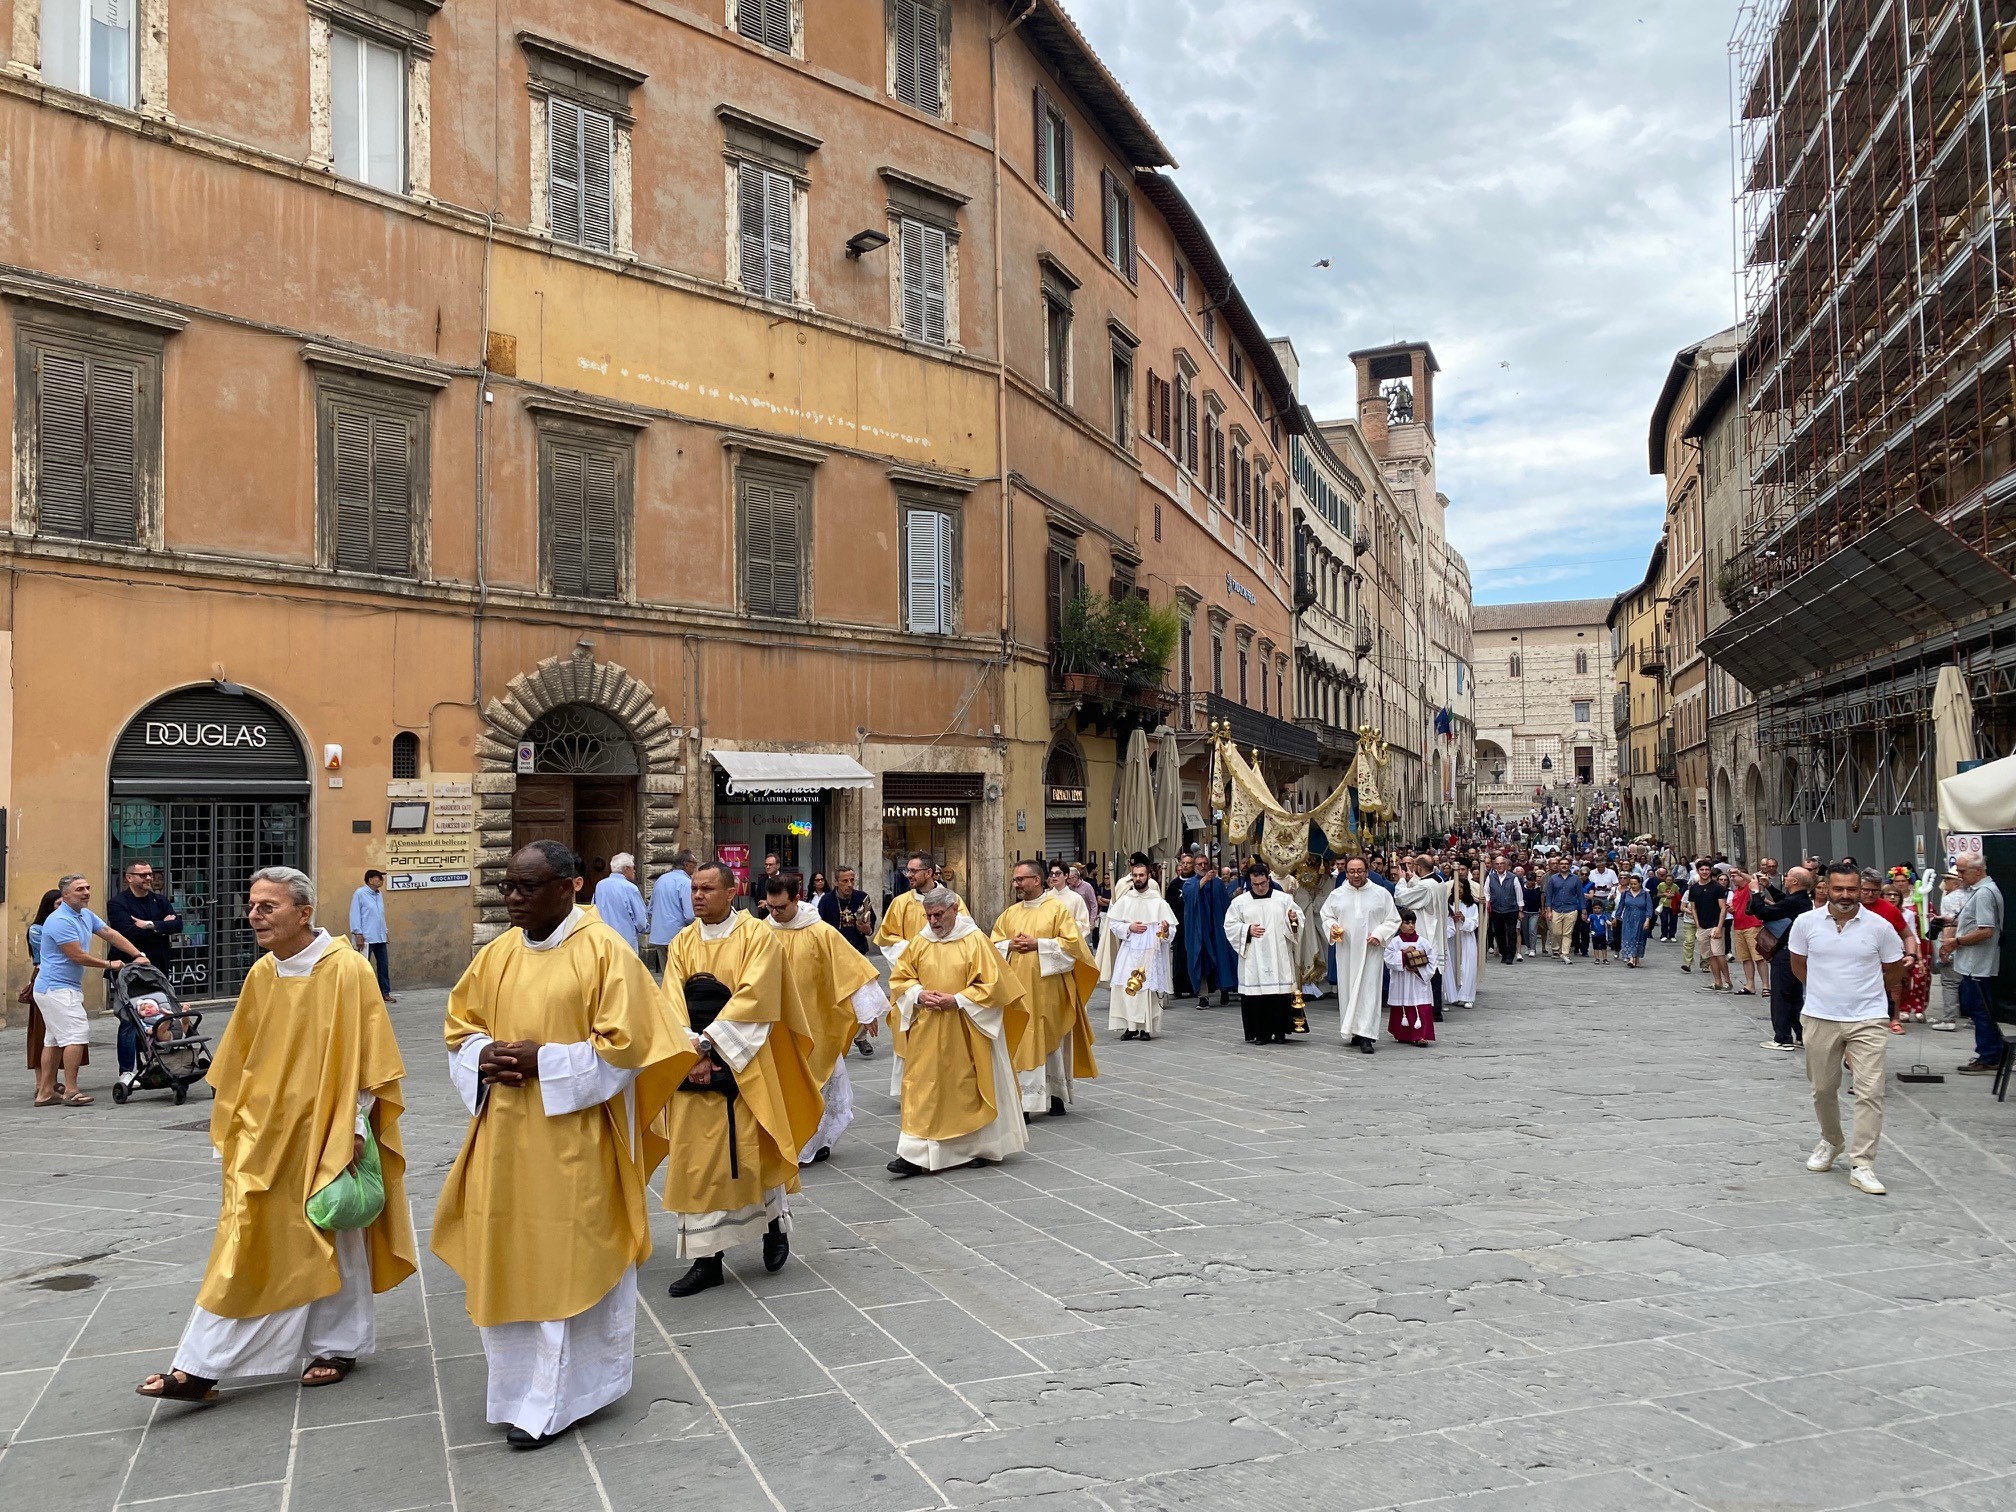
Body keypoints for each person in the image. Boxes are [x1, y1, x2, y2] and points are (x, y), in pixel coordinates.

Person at [431, 842, 692, 1448]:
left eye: (528, 887)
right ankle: (517, 1391)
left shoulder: (605, 951)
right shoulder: (497, 953)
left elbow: (626, 1047)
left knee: (567, 1259)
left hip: (576, 1135)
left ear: (570, 886)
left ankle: (561, 1398)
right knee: (511, 1253)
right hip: (504, 1136)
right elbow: (458, 1025)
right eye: (508, 887)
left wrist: (543, 1059)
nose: (515, 899)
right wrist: (482, 1054)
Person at [136, 867, 415, 1405]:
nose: (254, 916)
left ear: (303, 913)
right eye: (252, 906)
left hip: (327, 1122)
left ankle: (336, 1344)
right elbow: (242, 1055)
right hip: (264, 1130)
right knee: (247, 1235)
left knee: (334, 1226)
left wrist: (356, 1123)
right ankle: (202, 1363)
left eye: (268, 907)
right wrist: (234, 1121)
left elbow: (367, 1055)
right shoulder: (263, 972)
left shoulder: (348, 970)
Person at [660, 862, 824, 1296]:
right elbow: (670, 1000)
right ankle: (705, 1259)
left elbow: (758, 996)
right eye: (693, 888)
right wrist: (690, 1051)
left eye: (707, 888)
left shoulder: (757, 937)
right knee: (696, 1161)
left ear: (732, 892)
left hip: (745, 1060)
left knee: (755, 1149)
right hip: (692, 1064)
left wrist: (712, 1045)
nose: (697, 896)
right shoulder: (681, 942)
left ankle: (774, 1227)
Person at [885, 887, 1029, 1178]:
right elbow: (901, 977)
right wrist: (918, 994)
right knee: (924, 1087)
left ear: (954, 910)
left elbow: (994, 986)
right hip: (928, 1027)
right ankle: (915, 1154)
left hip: (968, 1027)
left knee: (968, 1087)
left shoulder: (975, 941)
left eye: (938, 915)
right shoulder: (920, 941)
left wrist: (958, 1000)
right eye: (928, 916)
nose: (933, 922)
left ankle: (980, 1148)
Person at [1788, 860, 1905, 1196]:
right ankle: (1831, 1140)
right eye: (1838, 888)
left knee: (1871, 1092)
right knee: (1822, 1089)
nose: (1845, 895)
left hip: (1867, 1018)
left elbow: (1894, 970)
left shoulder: (1880, 927)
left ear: (1861, 891)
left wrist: (1869, 996)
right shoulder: (1806, 923)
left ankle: (1863, 1163)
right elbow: (1799, 965)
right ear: (1824, 888)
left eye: (1852, 889)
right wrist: (1824, 992)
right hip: (1820, 1016)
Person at [763, 874, 888, 1165]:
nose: (775, 913)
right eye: (770, 907)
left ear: (796, 899)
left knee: (820, 1081)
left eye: (780, 907)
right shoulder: (761, 932)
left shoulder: (820, 932)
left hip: (815, 1020)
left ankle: (816, 1142)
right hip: (774, 1024)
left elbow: (850, 969)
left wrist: (866, 1011)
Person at [990, 861, 1100, 1111]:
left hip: (1051, 988)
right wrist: (1009, 946)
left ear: (1036, 880)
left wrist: (1039, 944)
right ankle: (1026, 1102)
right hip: (1019, 990)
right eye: (1014, 879)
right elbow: (992, 944)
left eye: (1020, 879)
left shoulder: (1056, 910)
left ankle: (1056, 1096)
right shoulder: (1010, 913)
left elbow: (1074, 946)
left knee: (1051, 1037)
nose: (1015, 883)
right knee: (1023, 1039)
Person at [32, 874, 140, 1107]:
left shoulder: (84, 915)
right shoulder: (60, 920)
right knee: (75, 1036)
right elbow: (77, 956)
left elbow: (110, 933)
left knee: (52, 1040)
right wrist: (109, 964)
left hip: (59, 988)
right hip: (56, 988)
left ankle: (45, 1092)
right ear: (66, 894)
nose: (86, 892)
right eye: (80, 889)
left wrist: (137, 955)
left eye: (88, 888)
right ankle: (71, 1090)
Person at [107, 861, 183, 1080]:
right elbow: (127, 932)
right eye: (142, 875)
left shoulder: (159, 900)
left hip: (157, 967)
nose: (148, 878)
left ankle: (158, 1062)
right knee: (130, 1018)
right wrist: (161, 926)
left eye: (150, 874)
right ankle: (127, 1071)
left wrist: (149, 924)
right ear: (129, 877)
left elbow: (177, 925)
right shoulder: (117, 903)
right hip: (128, 970)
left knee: (160, 1014)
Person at [1321, 857, 1401, 1057]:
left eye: (1359, 871)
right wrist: (1333, 927)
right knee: (1348, 989)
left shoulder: (1380, 894)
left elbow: (1393, 919)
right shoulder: (1337, 895)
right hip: (1346, 949)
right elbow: (1327, 915)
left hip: (1370, 950)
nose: (1355, 875)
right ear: (1345, 873)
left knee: (1368, 990)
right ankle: (1354, 1030)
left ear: (1367, 871)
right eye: (1351, 871)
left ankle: (1367, 1035)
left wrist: (1380, 934)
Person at [1098, 854, 1179, 1041]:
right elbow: (1114, 924)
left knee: (1148, 990)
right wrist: (1129, 927)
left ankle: (1146, 1028)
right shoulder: (1125, 900)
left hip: (1151, 951)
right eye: (1135, 875)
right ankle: (1130, 1027)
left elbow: (1171, 930)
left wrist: (1165, 930)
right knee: (1128, 989)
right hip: (1130, 951)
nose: (1138, 879)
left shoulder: (1158, 901)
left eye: (1141, 875)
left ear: (1148, 876)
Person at [1223, 862, 1302, 1045]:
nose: (1259, 887)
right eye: (1255, 884)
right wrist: (1247, 930)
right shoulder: (1239, 902)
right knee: (1256, 995)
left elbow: (1297, 920)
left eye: (1263, 883)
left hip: (1278, 953)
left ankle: (1281, 1032)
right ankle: (1261, 1033)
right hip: (1253, 956)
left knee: (1279, 993)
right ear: (1250, 882)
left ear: (1268, 879)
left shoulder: (1283, 899)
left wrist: (1294, 919)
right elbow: (1230, 926)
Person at [1947, 852, 2005, 1076]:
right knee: (1978, 1007)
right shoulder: (1980, 891)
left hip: (1978, 964)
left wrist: (1957, 941)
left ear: (1978, 870)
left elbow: (1986, 930)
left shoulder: (1984, 894)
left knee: (1979, 1009)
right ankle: (1994, 1049)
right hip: (1974, 963)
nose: (1959, 875)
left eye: (1962, 871)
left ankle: (1990, 1054)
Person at [24, 888, 82, 1098]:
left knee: (57, 1035)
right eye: (58, 905)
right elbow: (63, 950)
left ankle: (52, 1085)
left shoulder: (70, 923)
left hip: (67, 980)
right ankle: (44, 1083)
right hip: (48, 981)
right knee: (44, 1033)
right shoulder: (38, 929)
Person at [1750, 865, 1814, 1051]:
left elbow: (1763, 912)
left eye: (1788, 876)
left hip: (1784, 954)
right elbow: (1783, 901)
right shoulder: (1800, 899)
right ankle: (1801, 1035)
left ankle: (1782, 1038)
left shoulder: (1795, 901)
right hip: (1794, 953)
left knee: (1780, 996)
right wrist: (1769, 886)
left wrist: (1755, 891)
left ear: (1794, 881)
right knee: (1794, 996)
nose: (1785, 878)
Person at [873, 852, 961, 969]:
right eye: (908, 870)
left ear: (928, 873)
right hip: (913, 967)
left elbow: (964, 932)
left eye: (914, 871)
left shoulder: (952, 900)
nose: (908, 875)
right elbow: (887, 938)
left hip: (947, 966)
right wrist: (912, 951)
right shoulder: (900, 903)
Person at [1394, 856, 1452, 1018]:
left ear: (1419, 867)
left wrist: (1401, 881)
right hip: (1435, 927)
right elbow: (1418, 887)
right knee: (1434, 969)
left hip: (1427, 929)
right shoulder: (1438, 881)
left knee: (1426, 969)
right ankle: (1434, 1007)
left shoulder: (1427, 886)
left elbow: (1402, 897)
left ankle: (1432, 1010)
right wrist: (1411, 878)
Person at [1184, 857, 1237, 1007]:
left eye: (1205, 864)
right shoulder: (1190, 883)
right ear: (1195, 867)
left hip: (1217, 926)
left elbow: (1225, 904)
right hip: (1200, 928)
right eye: (1199, 864)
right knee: (1201, 959)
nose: (1202, 866)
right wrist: (1205, 880)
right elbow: (1189, 896)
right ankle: (1203, 995)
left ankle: (1224, 988)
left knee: (1222, 957)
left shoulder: (1218, 884)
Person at [1383, 909, 1439, 1046]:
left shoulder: (1423, 942)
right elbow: (1388, 959)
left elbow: (1432, 961)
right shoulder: (1394, 942)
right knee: (1402, 1006)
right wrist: (1403, 955)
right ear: (1400, 925)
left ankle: (1421, 1035)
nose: (1411, 926)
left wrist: (1417, 968)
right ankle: (1403, 1034)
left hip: (1417, 981)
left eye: (1413, 922)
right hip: (1402, 980)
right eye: (1407, 923)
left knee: (1420, 1006)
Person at [1886, 867, 1930, 1027]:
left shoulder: (1914, 903)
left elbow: (1912, 934)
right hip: (1887, 951)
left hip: (1905, 949)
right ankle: (1897, 1012)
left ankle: (1915, 1007)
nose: (1899, 885)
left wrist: (1917, 955)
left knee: (1912, 980)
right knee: (1894, 983)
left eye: (1903, 881)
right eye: (1896, 882)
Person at [347, 869, 395, 1004]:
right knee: (363, 967)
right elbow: (355, 914)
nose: (381, 880)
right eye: (379, 877)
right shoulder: (360, 894)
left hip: (379, 937)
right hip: (366, 937)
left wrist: (385, 932)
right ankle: (362, 994)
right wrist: (358, 934)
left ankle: (385, 992)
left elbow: (380, 915)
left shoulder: (378, 894)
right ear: (370, 880)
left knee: (383, 965)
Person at [648, 850, 698, 973]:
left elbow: (650, 909)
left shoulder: (661, 880)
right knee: (679, 975)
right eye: (694, 864)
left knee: (667, 975)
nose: (695, 868)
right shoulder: (686, 883)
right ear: (686, 865)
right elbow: (690, 915)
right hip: (677, 935)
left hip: (659, 935)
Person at [591, 853, 650, 955]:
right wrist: (643, 928)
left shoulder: (600, 885)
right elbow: (640, 920)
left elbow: (593, 910)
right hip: (625, 941)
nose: (634, 871)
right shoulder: (630, 888)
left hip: (603, 939)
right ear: (626, 868)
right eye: (633, 867)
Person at [1683, 861, 1730, 989]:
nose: (1704, 872)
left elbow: (1723, 908)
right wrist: (1697, 924)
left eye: (1707, 870)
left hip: (1715, 925)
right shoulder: (1693, 889)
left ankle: (1727, 980)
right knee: (1709, 955)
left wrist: (1719, 927)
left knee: (1718, 953)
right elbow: (1693, 908)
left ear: (1710, 871)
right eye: (1702, 870)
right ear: (1698, 871)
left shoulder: (1717, 887)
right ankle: (1717, 981)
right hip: (1702, 926)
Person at [1165, 853, 1197, 999]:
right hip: (1178, 925)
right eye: (1183, 862)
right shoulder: (1174, 884)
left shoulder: (1198, 881)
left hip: (1193, 925)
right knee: (1178, 955)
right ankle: (1178, 986)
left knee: (1192, 955)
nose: (1185, 865)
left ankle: (1192, 986)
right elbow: (1168, 905)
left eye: (1189, 863)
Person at [1447, 870, 1480, 1005]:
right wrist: (1452, 918)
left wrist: (1464, 919)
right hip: (1453, 938)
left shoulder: (1471, 905)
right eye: (1457, 887)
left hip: (1466, 938)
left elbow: (1475, 922)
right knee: (1453, 966)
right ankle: (1453, 994)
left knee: (1468, 967)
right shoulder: (1449, 904)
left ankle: (1467, 996)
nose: (1459, 890)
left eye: (1461, 887)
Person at [1483, 854, 1522, 966]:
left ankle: (1510, 955)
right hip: (1496, 910)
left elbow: (1518, 894)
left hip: (1511, 909)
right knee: (1499, 933)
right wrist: (1487, 903)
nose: (1499, 866)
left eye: (1502, 864)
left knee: (1511, 933)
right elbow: (1487, 893)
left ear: (1506, 865)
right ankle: (1504, 954)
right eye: (1497, 864)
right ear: (1495, 865)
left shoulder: (1513, 877)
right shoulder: (1491, 878)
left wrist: (1520, 909)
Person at [1729, 868, 1763, 995]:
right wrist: (1732, 909)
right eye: (1731, 876)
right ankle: (1750, 985)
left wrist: (1739, 872)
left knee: (1758, 957)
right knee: (1745, 958)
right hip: (1738, 926)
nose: (1732, 879)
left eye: (1734, 876)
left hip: (1752, 925)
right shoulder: (1736, 891)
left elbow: (1753, 879)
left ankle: (1766, 985)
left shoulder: (1749, 887)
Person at [1542, 858, 1582, 963]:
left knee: (1567, 933)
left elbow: (1580, 895)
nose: (1564, 866)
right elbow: (1549, 895)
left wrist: (1584, 910)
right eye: (1562, 864)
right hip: (1556, 908)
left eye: (1566, 864)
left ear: (1570, 865)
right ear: (1559, 865)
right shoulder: (1554, 879)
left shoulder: (1576, 879)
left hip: (1571, 909)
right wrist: (1548, 910)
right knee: (1556, 932)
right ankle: (1558, 949)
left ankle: (1565, 953)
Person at [1044, 860, 1093, 933]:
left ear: (1066, 875)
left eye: (1057, 873)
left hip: (1070, 940)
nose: (1054, 876)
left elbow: (1084, 925)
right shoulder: (1045, 897)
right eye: (1051, 874)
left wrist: (1065, 926)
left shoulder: (1076, 898)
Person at [1617, 873, 1654, 967]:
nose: (1633, 886)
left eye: (1635, 884)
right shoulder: (1625, 893)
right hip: (1628, 918)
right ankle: (1631, 958)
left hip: (1640, 918)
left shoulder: (1645, 894)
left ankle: (1636, 958)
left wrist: (1647, 920)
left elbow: (1649, 908)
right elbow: (1621, 906)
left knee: (1638, 937)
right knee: (1628, 937)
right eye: (1631, 884)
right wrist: (1616, 918)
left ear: (1640, 883)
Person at [1517, 864, 1542, 958]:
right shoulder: (1522, 888)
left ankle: (1533, 948)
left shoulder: (1538, 889)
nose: (1530, 883)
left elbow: (1541, 900)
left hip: (1535, 912)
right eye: (1528, 881)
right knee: (1525, 931)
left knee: (1532, 930)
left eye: (1532, 881)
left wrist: (1542, 910)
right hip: (1524, 912)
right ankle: (1528, 947)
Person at [1586, 889, 1611, 965]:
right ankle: (1597, 958)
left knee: (1604, 947)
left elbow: (1607, 922)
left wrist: (1611, 923)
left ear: (1602, 909)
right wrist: (1585, 919)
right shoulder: (1591, 916)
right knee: (1595, 946)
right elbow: (1588, 921)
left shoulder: (1604, 916)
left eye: (1598, 908)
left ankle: (1605, 958)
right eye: (1595, 908)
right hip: (1594, 932)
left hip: (1602, 933)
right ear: (1593, 909)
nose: (1597, 910)